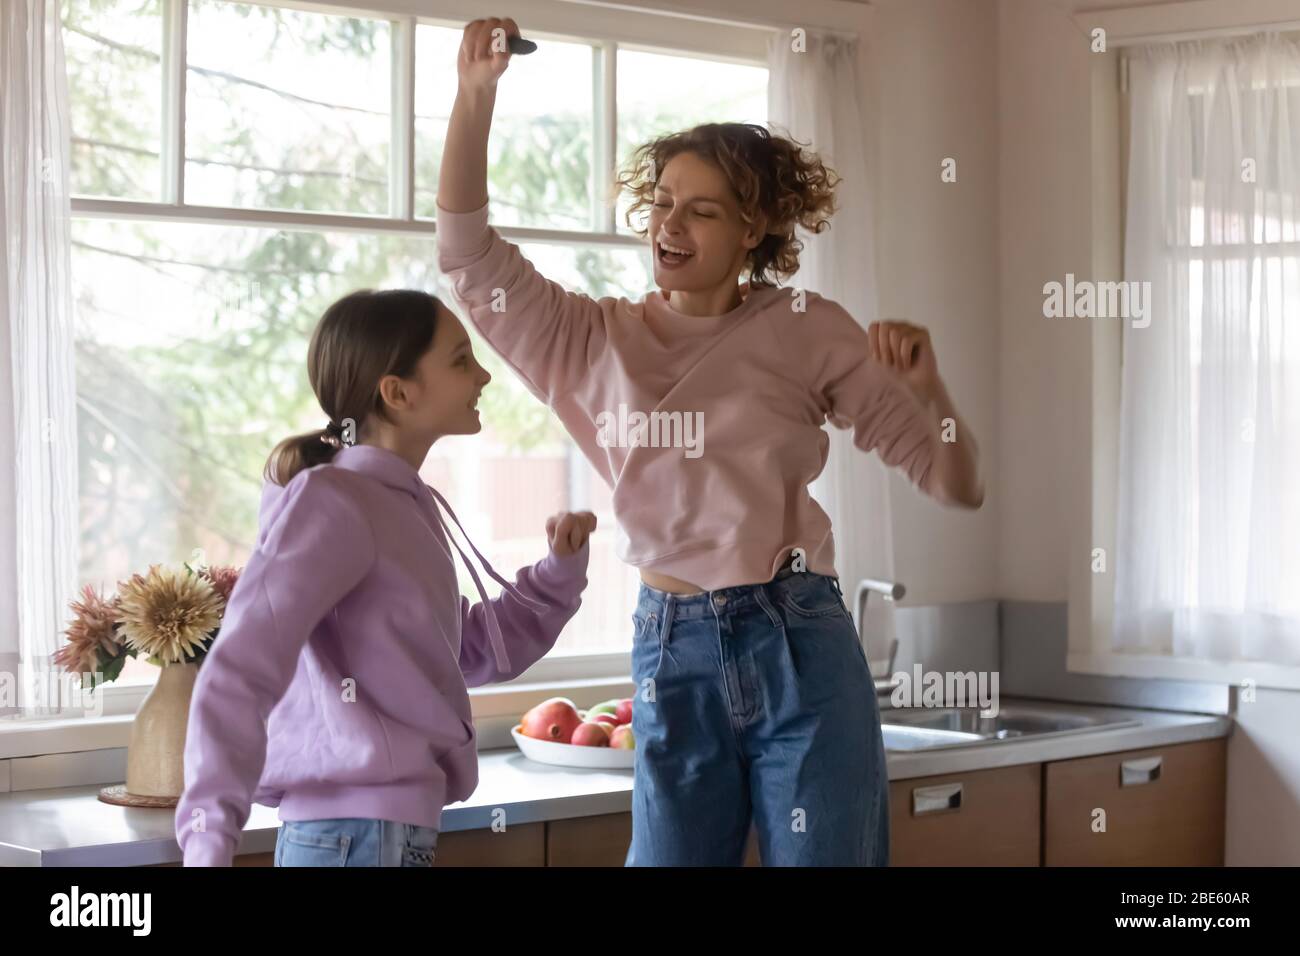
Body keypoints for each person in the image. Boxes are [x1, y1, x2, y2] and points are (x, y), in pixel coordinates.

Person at [435, 18, 984, 865]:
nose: (670, 225)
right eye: (660, 203)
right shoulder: (590, 340)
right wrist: (476, 95)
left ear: (755, 227)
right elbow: (467, 254)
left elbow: (956, 484)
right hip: (671, 642)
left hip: (799, 634)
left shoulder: (810, 330)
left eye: (701, 210)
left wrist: (930, 389)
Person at [174, 288, 596, 866]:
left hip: (378, 835)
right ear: (398, 392)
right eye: (460, 360)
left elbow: (465, 654)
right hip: (356, 839)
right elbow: (240, 668)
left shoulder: (399, 501)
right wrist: (206, 842)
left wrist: (556, 576)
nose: (483, 376)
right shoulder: (335, 503)